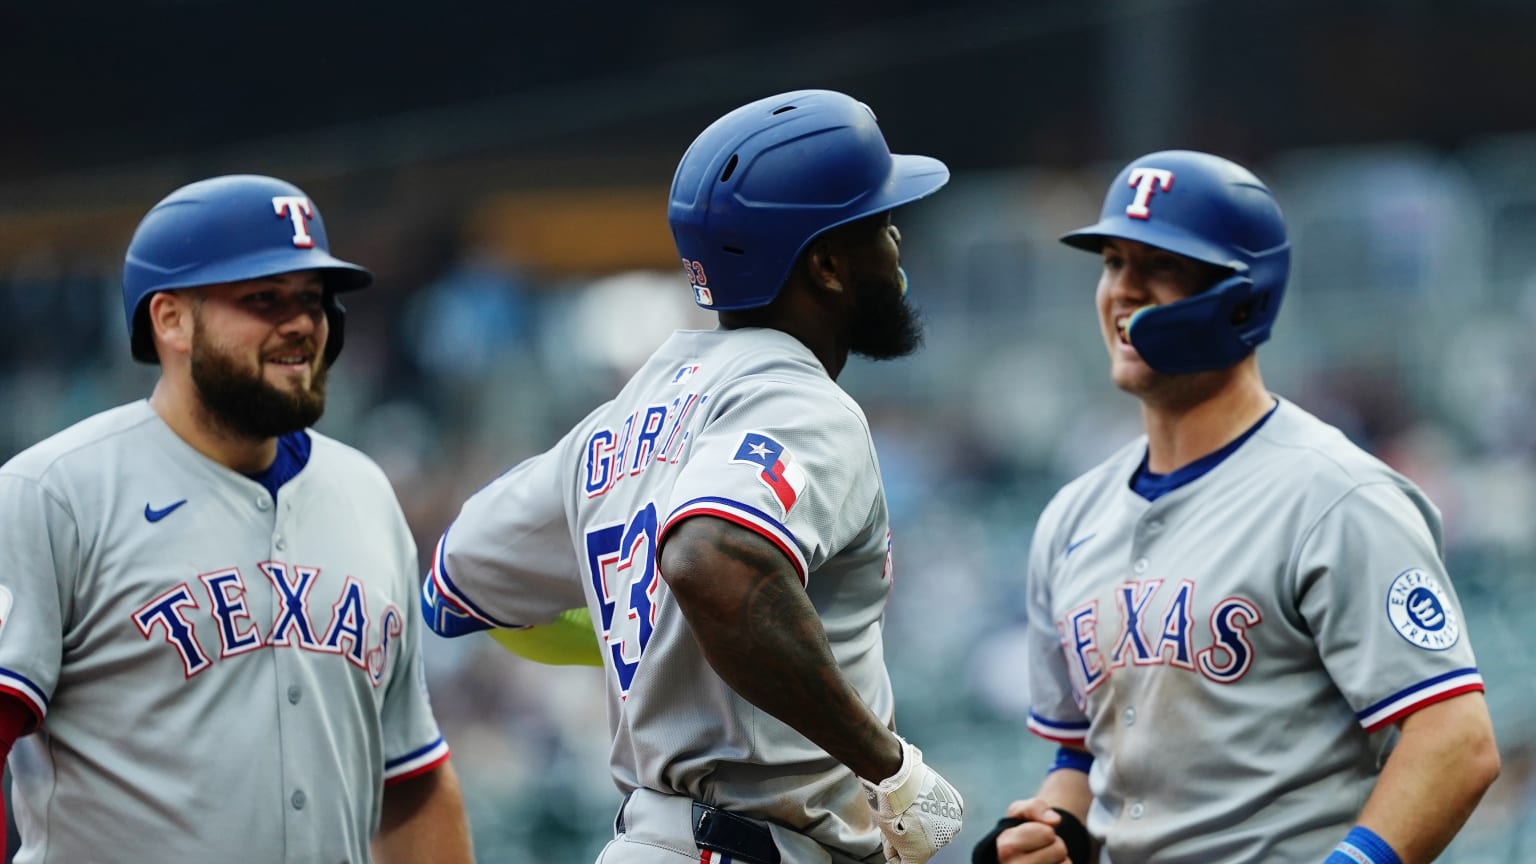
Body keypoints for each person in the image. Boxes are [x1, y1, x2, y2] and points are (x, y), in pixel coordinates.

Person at [421, 89, 964, 864]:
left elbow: (459, 581)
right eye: (878, 223)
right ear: (827, 266)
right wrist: (890, 766)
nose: (897, 238)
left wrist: (652, 637)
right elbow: (710, 561)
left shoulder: (618, 423)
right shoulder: (801, 400)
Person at [975, 150, 1500, 864]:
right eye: (1113, 263)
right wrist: (1054, 834)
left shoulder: (1337, 496)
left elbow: (1456, 741)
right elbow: (1078, 756)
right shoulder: (1071, 516)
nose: (1122, 292)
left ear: (1242, 298)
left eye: (1159, 265)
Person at [0, 175, 474, 863]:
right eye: (263, 299)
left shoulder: (365, 493)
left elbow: (410, 778)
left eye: (313, 300)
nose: (302, 323)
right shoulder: (54, 493)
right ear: (171, 320)